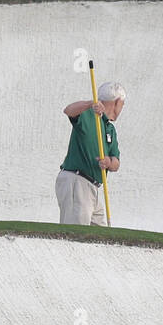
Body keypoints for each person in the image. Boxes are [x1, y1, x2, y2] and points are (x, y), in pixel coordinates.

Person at [56, 82, 124, 226]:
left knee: (99, 234)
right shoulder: (88, 115)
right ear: (117, 102)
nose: (122, 108)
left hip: (93, 187)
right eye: (122, 104)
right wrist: (91, 103)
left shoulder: (109, 129)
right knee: (76, 233)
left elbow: (116, 163)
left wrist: (108, 162)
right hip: (77, 181)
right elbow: (68, 110)